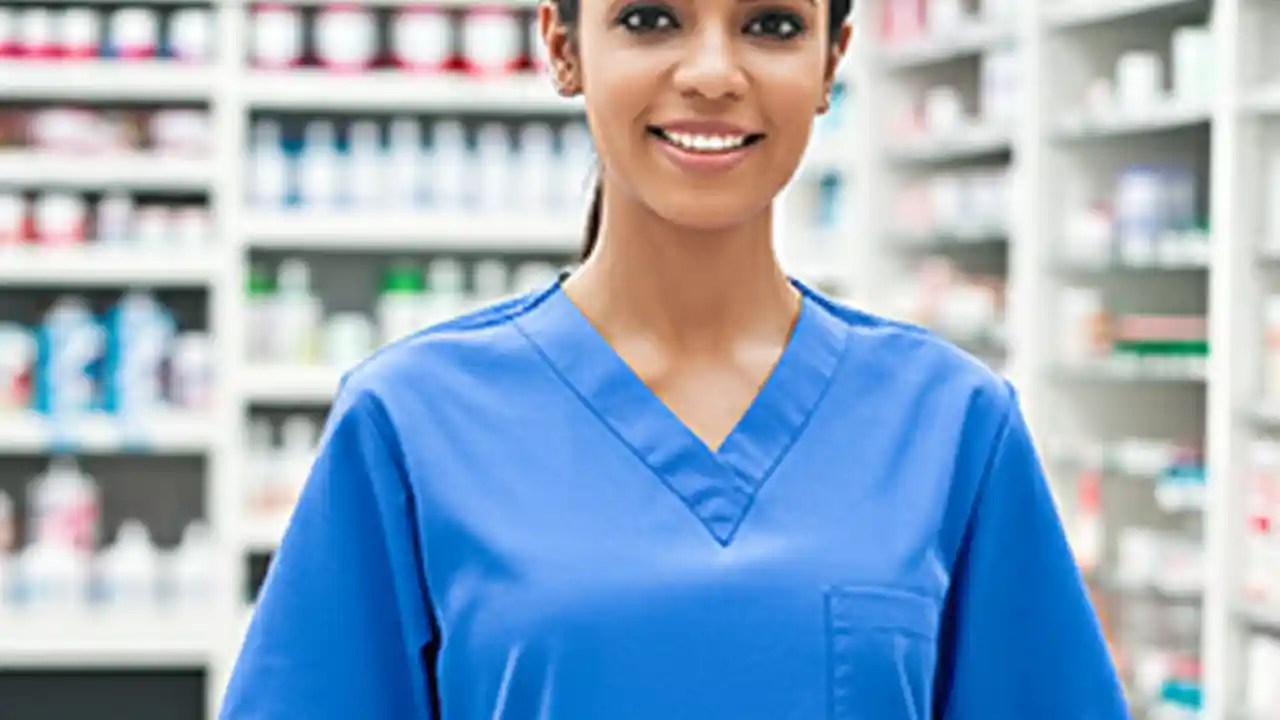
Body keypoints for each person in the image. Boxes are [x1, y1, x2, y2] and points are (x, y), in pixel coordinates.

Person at [221, 0, 1131, 717]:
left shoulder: (950, 425)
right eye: (650, 19)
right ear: (563, 46)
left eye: (771, 25)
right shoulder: (413, 419)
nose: (711, 73)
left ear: (831, 62)